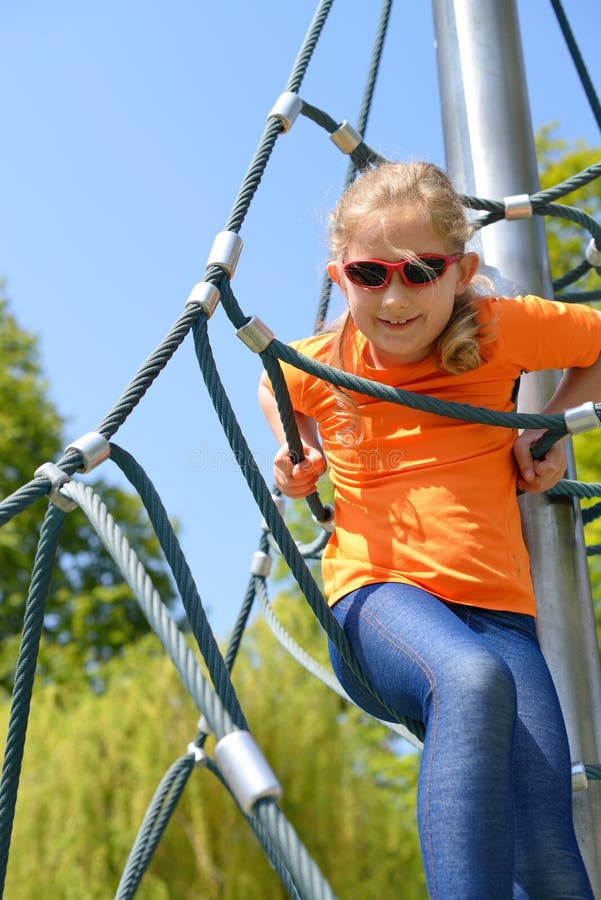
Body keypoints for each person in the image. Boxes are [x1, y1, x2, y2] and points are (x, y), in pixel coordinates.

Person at [258, 160, 600, 899]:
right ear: (340, 277)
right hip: (379, 601)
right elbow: (272, 385)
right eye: (369, 274)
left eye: (420, 271)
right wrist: (298, 447)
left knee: (547, 858)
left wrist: (547, 426)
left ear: (462, 272)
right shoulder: (327, 364)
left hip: (501, 615)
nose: (394, 296)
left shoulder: (501, 331)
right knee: (469, 682)